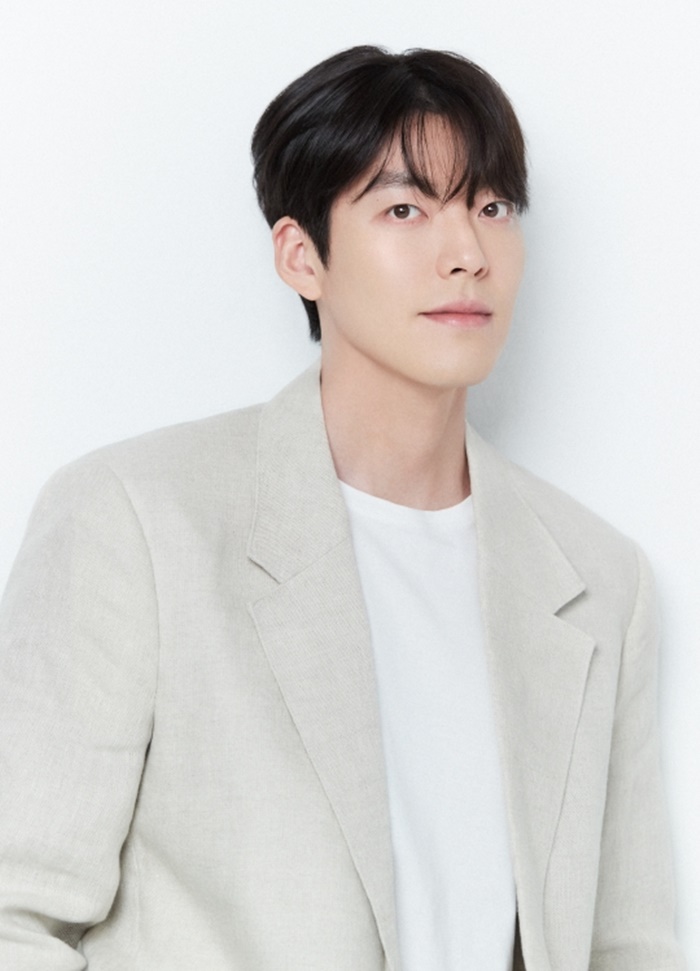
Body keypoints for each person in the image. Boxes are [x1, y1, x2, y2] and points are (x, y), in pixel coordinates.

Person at [0, 45, 684, 971]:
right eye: (405, 209)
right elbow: (15, 912)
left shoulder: (600, 579)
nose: (468, 254)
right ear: (302, 255)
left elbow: (630, 944)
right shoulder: (136, 522)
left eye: (492, 207)